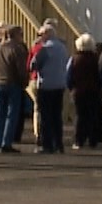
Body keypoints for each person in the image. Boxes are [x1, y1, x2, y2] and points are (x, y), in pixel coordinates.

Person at [30, 22, 69, 154]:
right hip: (60, 85)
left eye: (40, 34)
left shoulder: (45, 49)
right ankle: (58, 143)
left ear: (46, 35)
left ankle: (47, 145)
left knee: (45, 116)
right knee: (57, 115)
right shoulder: (63, 48)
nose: (39, 37)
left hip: (46, 85)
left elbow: (33, 65)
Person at [0, 23, 28, 154]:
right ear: (16, 35)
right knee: (12, 114)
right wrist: (24, 81)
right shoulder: (17, 49)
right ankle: (6, 143)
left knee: (0, 114)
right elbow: (20, 69)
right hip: (13, 83)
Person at [67, 33, 102, 150]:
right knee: (92, 115)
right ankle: (93, 140)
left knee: (79, 115)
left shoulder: (74, 59)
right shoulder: (96, 59)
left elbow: (68, 75)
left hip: (78, 91)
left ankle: (79, 140)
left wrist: (71, 88)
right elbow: (100, 76)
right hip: (94, 91)